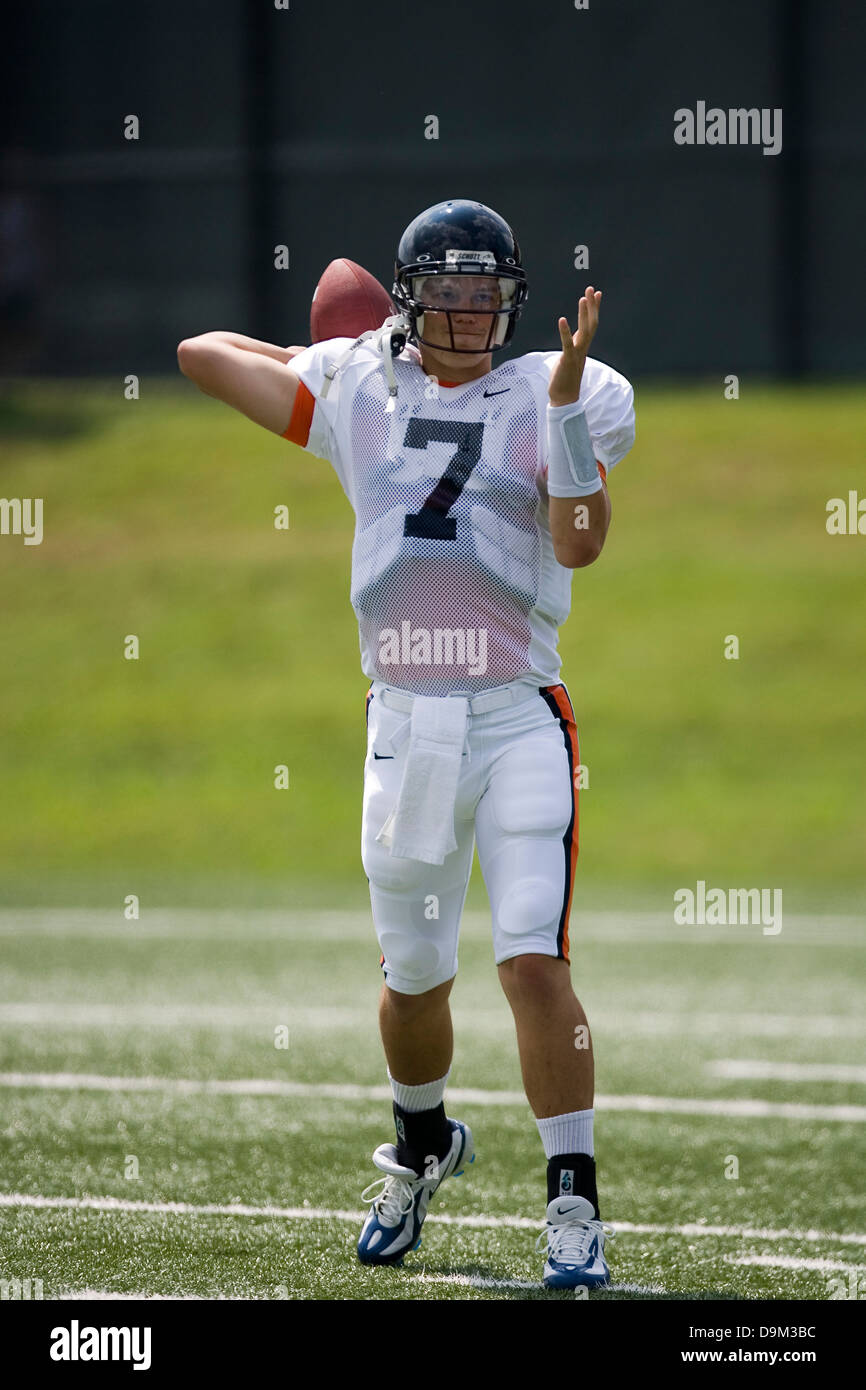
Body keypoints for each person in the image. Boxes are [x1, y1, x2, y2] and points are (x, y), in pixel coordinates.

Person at [177, 198, 635, 1289]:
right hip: (404, 722)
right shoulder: (359, 385)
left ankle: (571, 1199)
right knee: (415, 979)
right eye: (449, 295)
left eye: (487, 297)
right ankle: (422, 1142)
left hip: (516, 710)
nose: (471, 316)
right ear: (411, 299)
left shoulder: (560, 388)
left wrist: (564, 409)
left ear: (510, 301)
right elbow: (198, 354)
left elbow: (580, 543)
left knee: (532, 959)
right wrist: (326, 351)